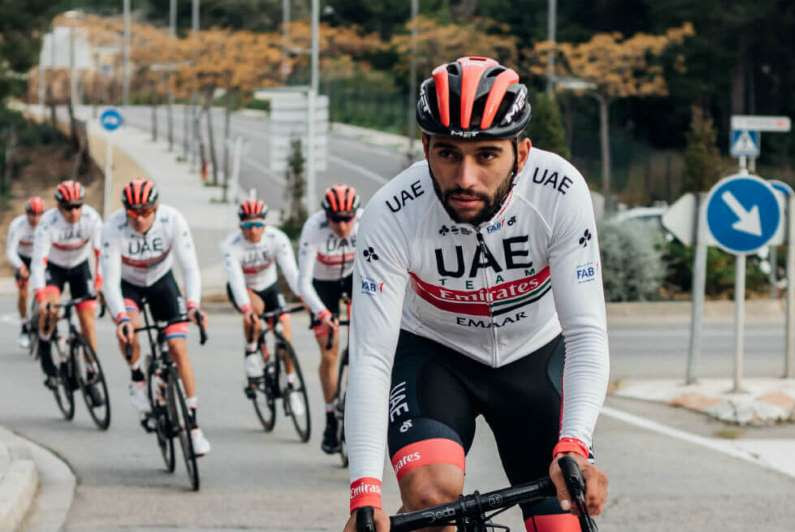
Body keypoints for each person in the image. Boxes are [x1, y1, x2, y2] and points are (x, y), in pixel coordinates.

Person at [343, 56, 609, 532]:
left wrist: (574, 445)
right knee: (428, 499)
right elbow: (370, 357)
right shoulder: (391, 212)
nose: (465, 177)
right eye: (447, 153)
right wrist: (364, 492)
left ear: (521, 153)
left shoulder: (560, 192)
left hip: (534, 357)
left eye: (486, 155)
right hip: (436, 356)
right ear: (425, 147)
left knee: (561, 522)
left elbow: (586, 333)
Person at [100, 179, 211, 456]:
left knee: (177, 348)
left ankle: (194, 427)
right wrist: (122, 318)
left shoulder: (172, 220)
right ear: (125, 210)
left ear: (156, 208)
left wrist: (194, 304)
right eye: (133, 212)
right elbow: (110, 282)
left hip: (162, 281)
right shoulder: (113, 228)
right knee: (132, 327)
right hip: (129, 286)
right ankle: (138, 377)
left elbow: (190, 268)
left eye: (146, 211)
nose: (139, 218)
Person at [222, 198, 304, 413]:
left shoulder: (277, 239)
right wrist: (247, 309)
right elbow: (237, 282)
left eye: (258, 225)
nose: (254, 230)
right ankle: (251, 351)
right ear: (241, 226)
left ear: (265, 225)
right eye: (249, 226)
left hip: (269, 286)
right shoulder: (232, 245)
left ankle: (292, 385)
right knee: (255, 314)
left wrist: (304, 296)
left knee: (285, 332)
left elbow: (291, 273)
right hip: (245, 289)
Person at [297, 184, 362, 454]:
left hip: (352, 276)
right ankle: (329, 417)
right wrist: (323, 314)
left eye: (348, 218)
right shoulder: (314, 228)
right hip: (321, 285)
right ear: (326, 216)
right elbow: (303, 283)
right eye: (337, 219)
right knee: (329, 354)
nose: (343, 225)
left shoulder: (368, 220)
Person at [30, 181, 103, 389]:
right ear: (59, 206)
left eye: (78, 206)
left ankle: (91, 369)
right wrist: (40, 296)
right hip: (55, 268)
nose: (74, 211)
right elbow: (38, 262)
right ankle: (45, 349)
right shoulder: (48, 223)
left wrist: (99, 284)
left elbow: (100, 254)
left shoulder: (92, 218)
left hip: (80, 267)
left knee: (87, 321)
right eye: (68, 207)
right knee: (51, 308)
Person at [6, 196, 45, 348]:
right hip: (22, 258)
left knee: (46, 291)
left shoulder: (46, 224)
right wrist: (21, 267)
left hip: (39, 257)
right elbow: (10, 251)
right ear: (26, 213)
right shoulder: (17, 225)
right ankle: (24, 326)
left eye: (38, 214)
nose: (35, 218)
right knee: (23, 293)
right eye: (32, 214)